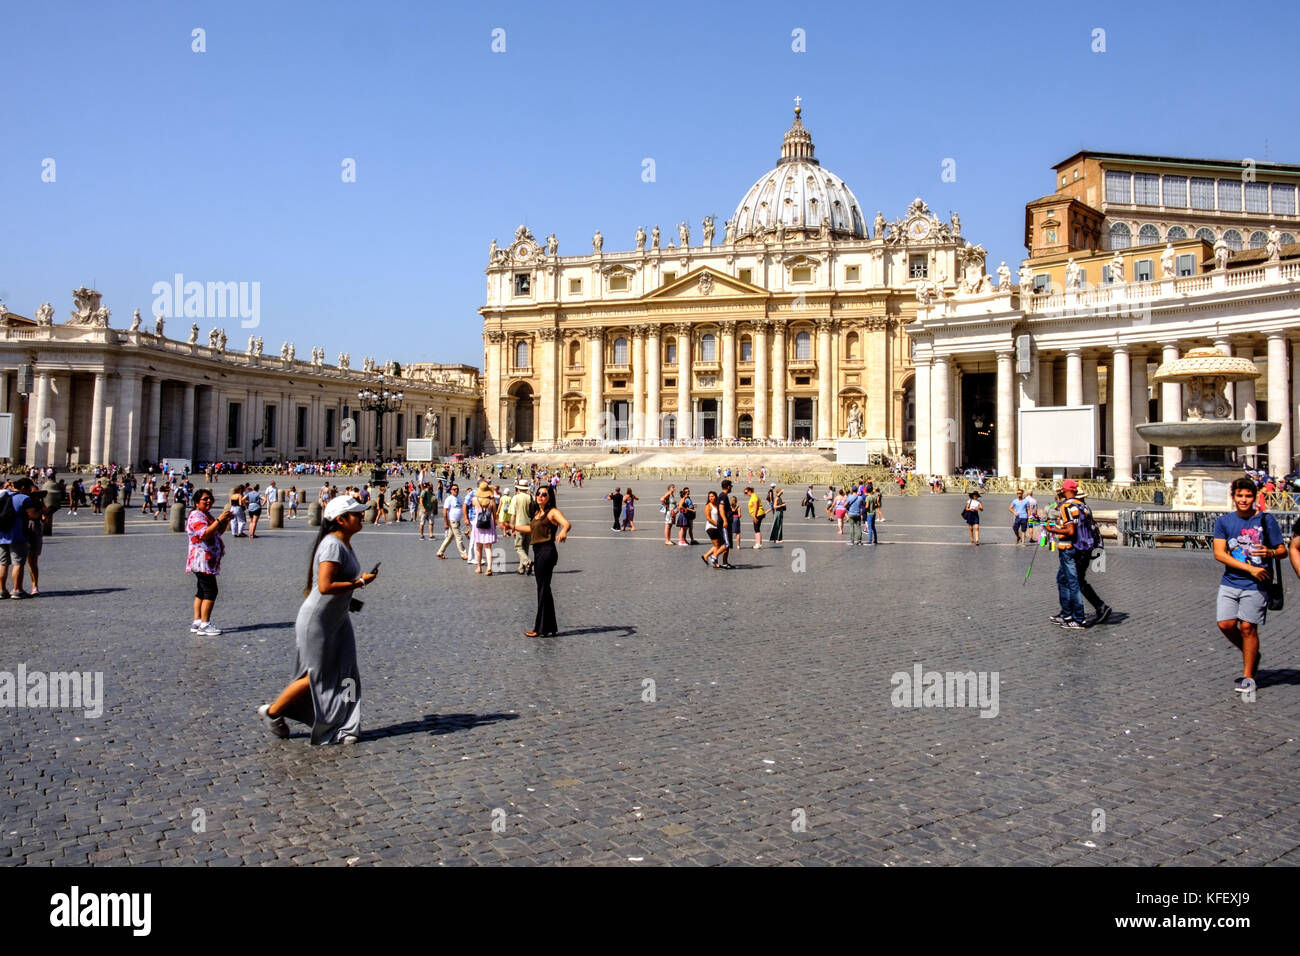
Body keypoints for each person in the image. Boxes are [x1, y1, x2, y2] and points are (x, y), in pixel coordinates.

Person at [257, 495, 377, 745]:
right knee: (315, 675)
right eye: (356, 514)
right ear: (341, 520)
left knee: (348, 673)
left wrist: (349, 600)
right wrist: (360, 582)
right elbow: (324, 586)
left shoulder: (345, 544)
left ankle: (346, 722)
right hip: (318, 621)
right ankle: (272, 712)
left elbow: (336, 583)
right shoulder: (332, 545)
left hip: (338, 619)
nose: (361, 516)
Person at [1218, 478, 1282, 694]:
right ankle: (1251, 652)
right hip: (1230, 580)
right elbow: (1219, 553)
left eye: (1248, 496)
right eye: (1240, 496)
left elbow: (1282, 550)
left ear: (1254, 497)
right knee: (1225, 624)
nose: (1244, 500)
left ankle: (1248, 677)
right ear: (1233, 497)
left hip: (1257, 583)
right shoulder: (1224, 522)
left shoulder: (1266, 520)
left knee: (1247, 627)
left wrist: (1270, 552)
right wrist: (1249, 568)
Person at [1046, 479, 1111, 629]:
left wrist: (1051, 529)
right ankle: (1071, 613)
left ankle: (1076, 617)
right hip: (1086, 547)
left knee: (1073, 582)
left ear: (1065, 491)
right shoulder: (1084, 507)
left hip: (1073, 547)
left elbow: (1070, 530)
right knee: (1069, 580)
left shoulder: (1068, 507)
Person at [512, 485, 571, 637]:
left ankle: (540, 628)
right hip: (538, 552)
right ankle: (550, 627)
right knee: (544, 589)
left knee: (543, 589)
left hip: (547, 551)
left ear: (550, 497)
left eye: (544, 494)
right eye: (538, 493)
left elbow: (566, 524)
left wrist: (563, 532)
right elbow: (532, 529)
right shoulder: (537, 513)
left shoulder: (553, 512)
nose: (540, 496)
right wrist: (514, 527)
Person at [186, 488, 233, 635]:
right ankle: (205, 624)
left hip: (207, 560)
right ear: (196, 502)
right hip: (202, 561)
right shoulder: (196, 516)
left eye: (210, 499)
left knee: (201, 591)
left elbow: (217, 532)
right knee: (211, 591)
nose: (208, 501)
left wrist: (225, 521)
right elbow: (205, 534)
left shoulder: (206, 515)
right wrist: (219, 519)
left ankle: (197, 621)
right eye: (205, 499)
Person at [1, 476, 43, 599]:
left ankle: (1, 590)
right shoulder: (24, 498)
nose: (30, 492)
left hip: (2, 534)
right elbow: (32, 515)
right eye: (29, 489)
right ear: (23, 487)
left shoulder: (4, 495)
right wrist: (41, 512)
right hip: (17, 535)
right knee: (18, 563)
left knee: (3, 563)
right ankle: (17, 590)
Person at [505, 479, 534, 574]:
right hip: (530, 525)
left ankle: (527, 562)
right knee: (526, 547)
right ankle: (521, 568)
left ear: (519, 488)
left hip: (519, 524)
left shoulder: (516, 498)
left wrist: (511, 525)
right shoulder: (531, 497)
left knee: (518, 547)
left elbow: (513, 514)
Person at [470, 480, 497, 574]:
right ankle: (489, 568)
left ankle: (479, 567)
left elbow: (472, 507)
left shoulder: (474, 500)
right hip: (489, 523)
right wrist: (495, 525)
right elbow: (495, 515)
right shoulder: (492, 501)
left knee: (478, 546)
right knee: (488, 547)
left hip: (478, 524)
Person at [436, 481, 468, 560]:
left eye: (457, 489)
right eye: (454, 489)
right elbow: (444, 511)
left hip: (457, 521)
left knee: (449, 538)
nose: (456, 490)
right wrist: (446, 523)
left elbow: (462, 508)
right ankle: (464, 554)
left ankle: (440, 552)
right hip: (452, 521)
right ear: (451, 490)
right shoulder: (449, 499)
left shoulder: (459, 498)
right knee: (459, 537)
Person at [701, 491, 724, 568]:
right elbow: (708, 518)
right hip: (711, 527)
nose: (711, 498)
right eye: (709, 496)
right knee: (717, 545)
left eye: (712, 496)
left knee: (719, 545)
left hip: (717, 527)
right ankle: (714, 561)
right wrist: (717, 524)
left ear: (716, 497)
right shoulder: (708, 506)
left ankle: (706, 556)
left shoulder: (717, 505)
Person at [716, 480, 735, 568]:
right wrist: (725, 520)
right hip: (724, 523)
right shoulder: (723, 496)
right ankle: (714, 556)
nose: (731, 488)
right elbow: (721, 509)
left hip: (726, 522)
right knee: (726, 543)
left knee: (727, 544)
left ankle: (725, 562)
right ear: (728, 487)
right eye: (731, 486)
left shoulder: (724, 496)